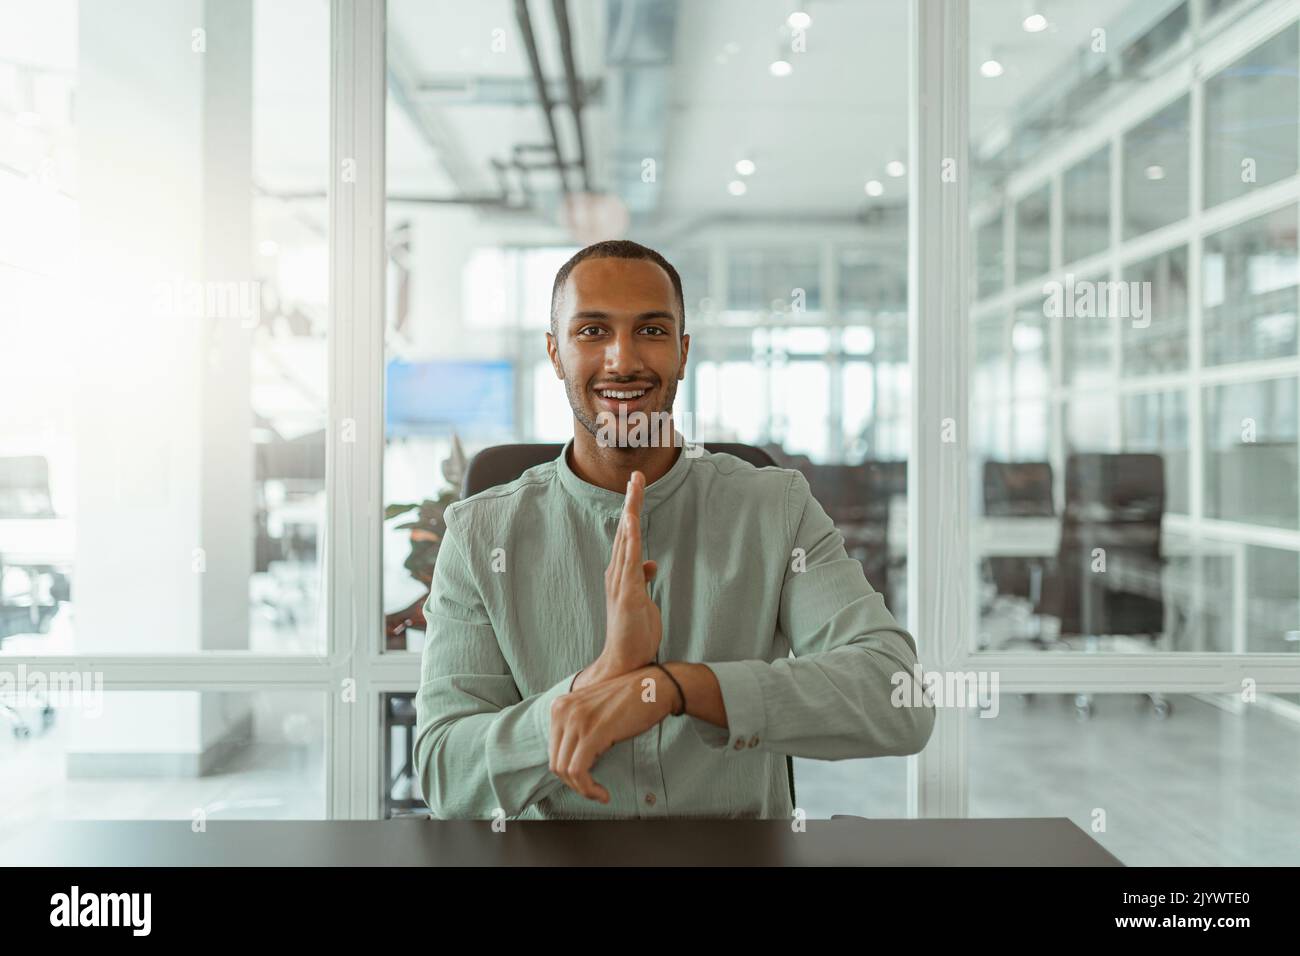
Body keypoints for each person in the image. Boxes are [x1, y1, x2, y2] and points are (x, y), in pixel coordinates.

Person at [413, 239, 934, 819]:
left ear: (682, 353)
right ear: (555, 354)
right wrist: (591, 688)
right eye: (591, 331)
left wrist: (677, 687)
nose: (622, 360)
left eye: (652, 331)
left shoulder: (775, 507)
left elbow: (899, 696)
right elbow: (443, 771)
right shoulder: (480, 533)